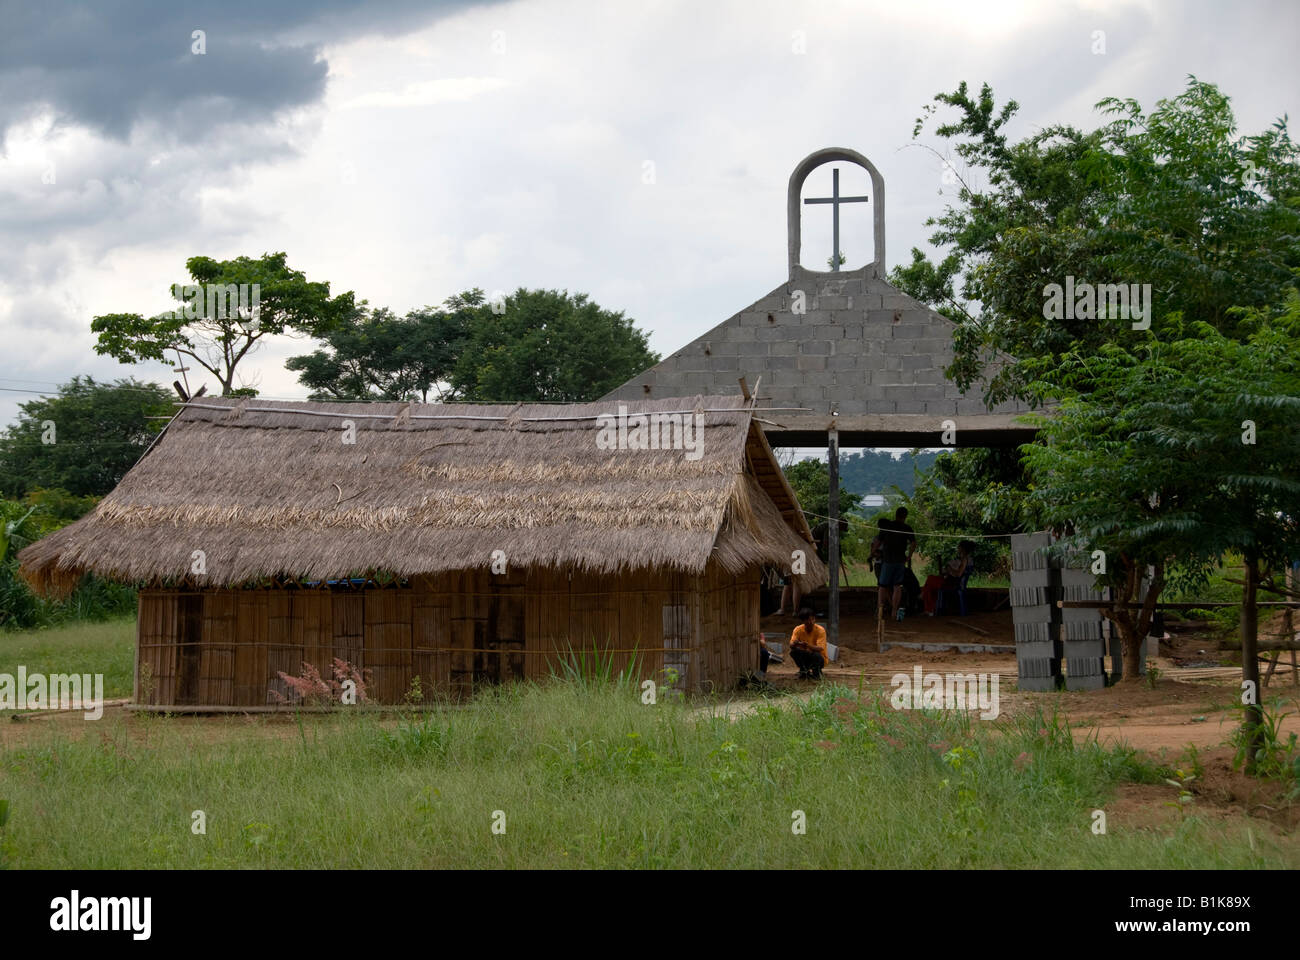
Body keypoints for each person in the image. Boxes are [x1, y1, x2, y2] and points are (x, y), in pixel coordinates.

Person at [876, 507, 916, 622]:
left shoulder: (887, 527)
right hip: (900, 561)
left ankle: (880, 611)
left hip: (888, 561)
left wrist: (873, 552)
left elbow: (878, 541)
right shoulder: (907, 528)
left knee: (882, 586)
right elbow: (913, 543)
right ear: (905, 516)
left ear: (896, 514)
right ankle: (894, 611)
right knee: (897, 586)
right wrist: (909, 556)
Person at [922, 541, 973, 616]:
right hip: (952, 581)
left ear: (962, 548)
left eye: (959, 547)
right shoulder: (967, 559)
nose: (957, 548)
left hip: (953, 583)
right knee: (930, 586)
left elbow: (958, 574)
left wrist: (949, 569)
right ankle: (930, 608)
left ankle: (928, 607)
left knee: (930, 579)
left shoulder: (965, 559)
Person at [789, 607, 828, 680]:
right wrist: (795, 643)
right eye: (808, 620)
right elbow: (791, 645)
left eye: (812, 619)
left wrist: (808, 645)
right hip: (805, 654)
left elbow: (820, 648)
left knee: (816, 655)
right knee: (794, 652)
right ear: (803, 621)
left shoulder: (820, 630)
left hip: (819, 657)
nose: (811, 622)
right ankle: (804, 670)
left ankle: (817, 672)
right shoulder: (798, 629)